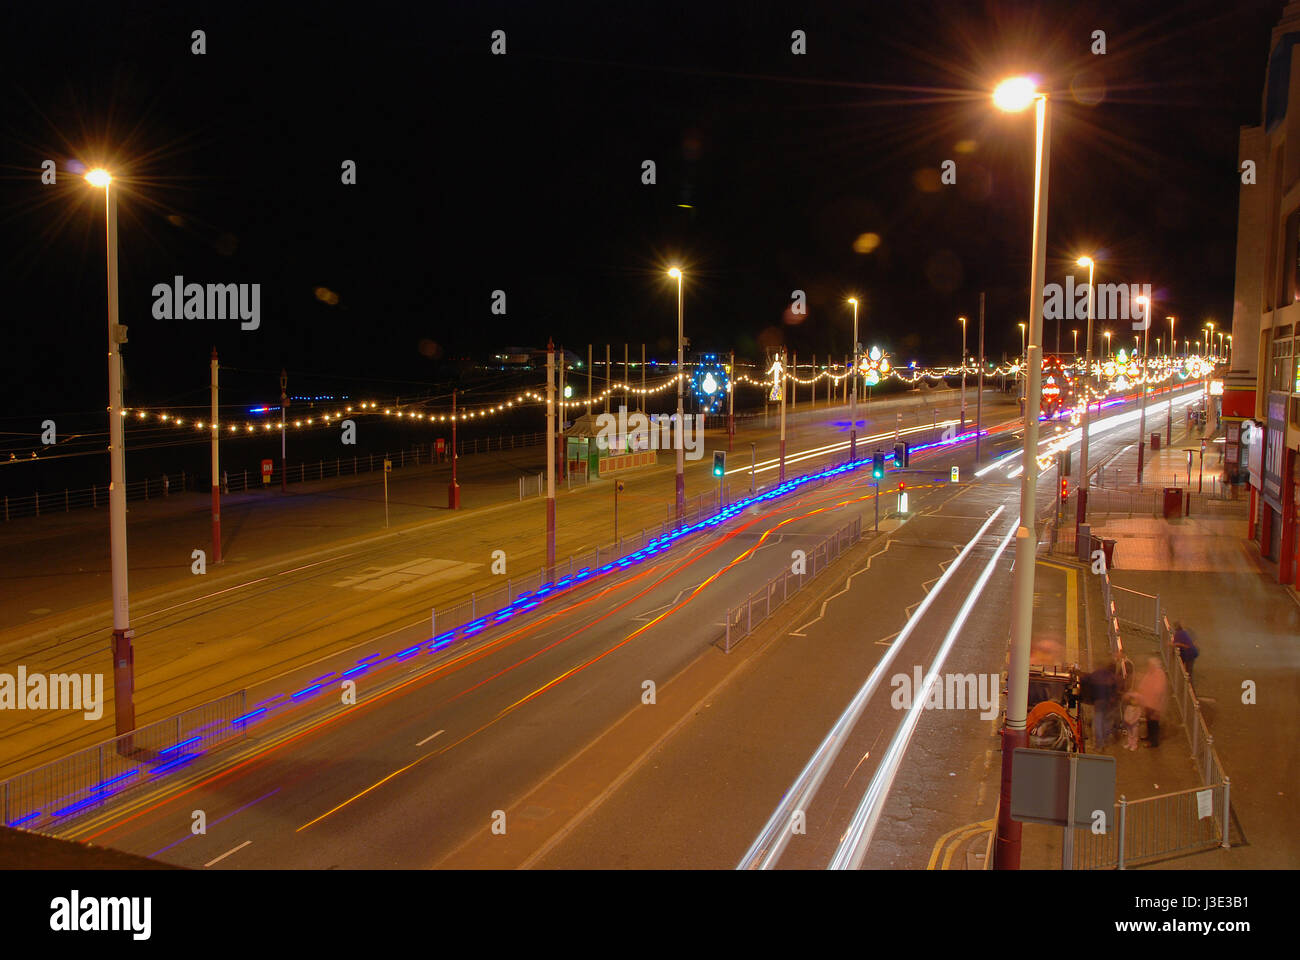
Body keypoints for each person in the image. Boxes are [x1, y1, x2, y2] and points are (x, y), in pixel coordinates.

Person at [1136, 657, 1168, 748]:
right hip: (1148, 702)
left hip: (1155, 704)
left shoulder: (1159, 674)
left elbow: (1158, 690)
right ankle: (1149, 737)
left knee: (1154, 723)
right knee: (1149, 721)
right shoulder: (1151, 673)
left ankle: (1154, 742)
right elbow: (1144, 683)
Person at [1086, 662, 1118, 748]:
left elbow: (1087, 679)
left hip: (1098, 700)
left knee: (1098, 721)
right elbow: (1114, 690)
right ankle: (1106, 740)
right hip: (1108, 702)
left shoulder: (1097, 673)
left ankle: (1099, 743)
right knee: (1106, 721)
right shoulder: (1112, 677)